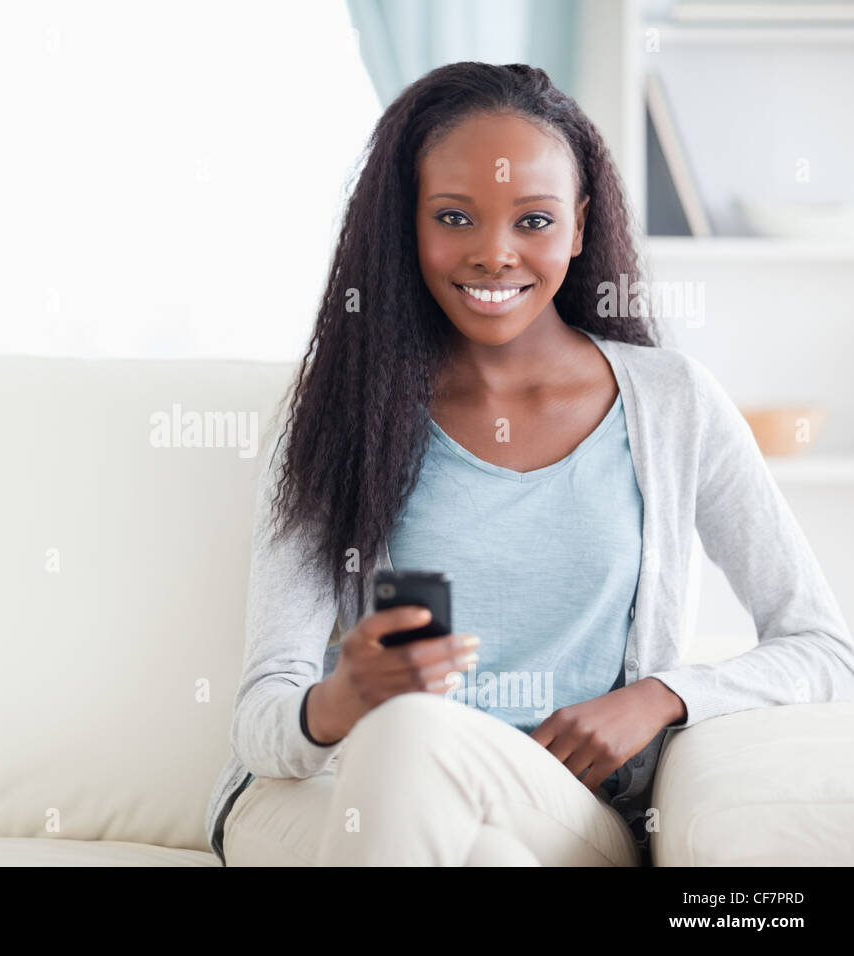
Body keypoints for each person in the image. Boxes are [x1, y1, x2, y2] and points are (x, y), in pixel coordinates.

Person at [202, 61, 854, 867]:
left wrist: (660, 698)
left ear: (578, 227)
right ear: (405, 224)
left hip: (549, 808)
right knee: (423, 760)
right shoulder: (342, 407)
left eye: (533, 222)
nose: (495, 255)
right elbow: (262, 716)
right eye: (454, 217)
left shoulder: (673, 403)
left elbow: (825, 647)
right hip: (331, 799)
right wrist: (339, 702)